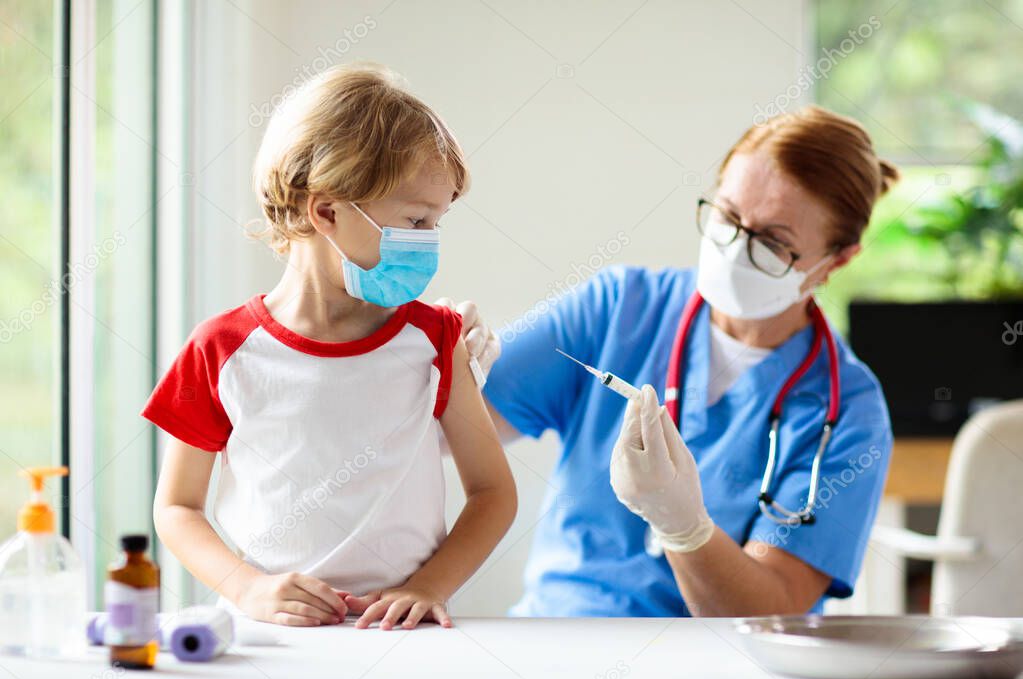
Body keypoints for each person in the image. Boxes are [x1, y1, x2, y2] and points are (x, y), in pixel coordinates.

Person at [470, 105, 900, 616]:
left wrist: (684, 526)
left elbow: (773, 609)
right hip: (555, 640)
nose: (737, 249)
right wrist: (432, 351)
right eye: (727, 216)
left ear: (836, 261)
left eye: (773, 243)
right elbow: (456, 424)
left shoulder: (847, 411)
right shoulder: (618, 309)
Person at [146, 64, 516, 629]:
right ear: (327, 211)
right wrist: (248, 590)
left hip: (402, 639)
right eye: (415, 220)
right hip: (268, 636)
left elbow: (493, 493)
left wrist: (428, 587)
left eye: (436, 223)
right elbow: (176, 508)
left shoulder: (437, 341)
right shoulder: (219, 350)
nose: (428, 243)